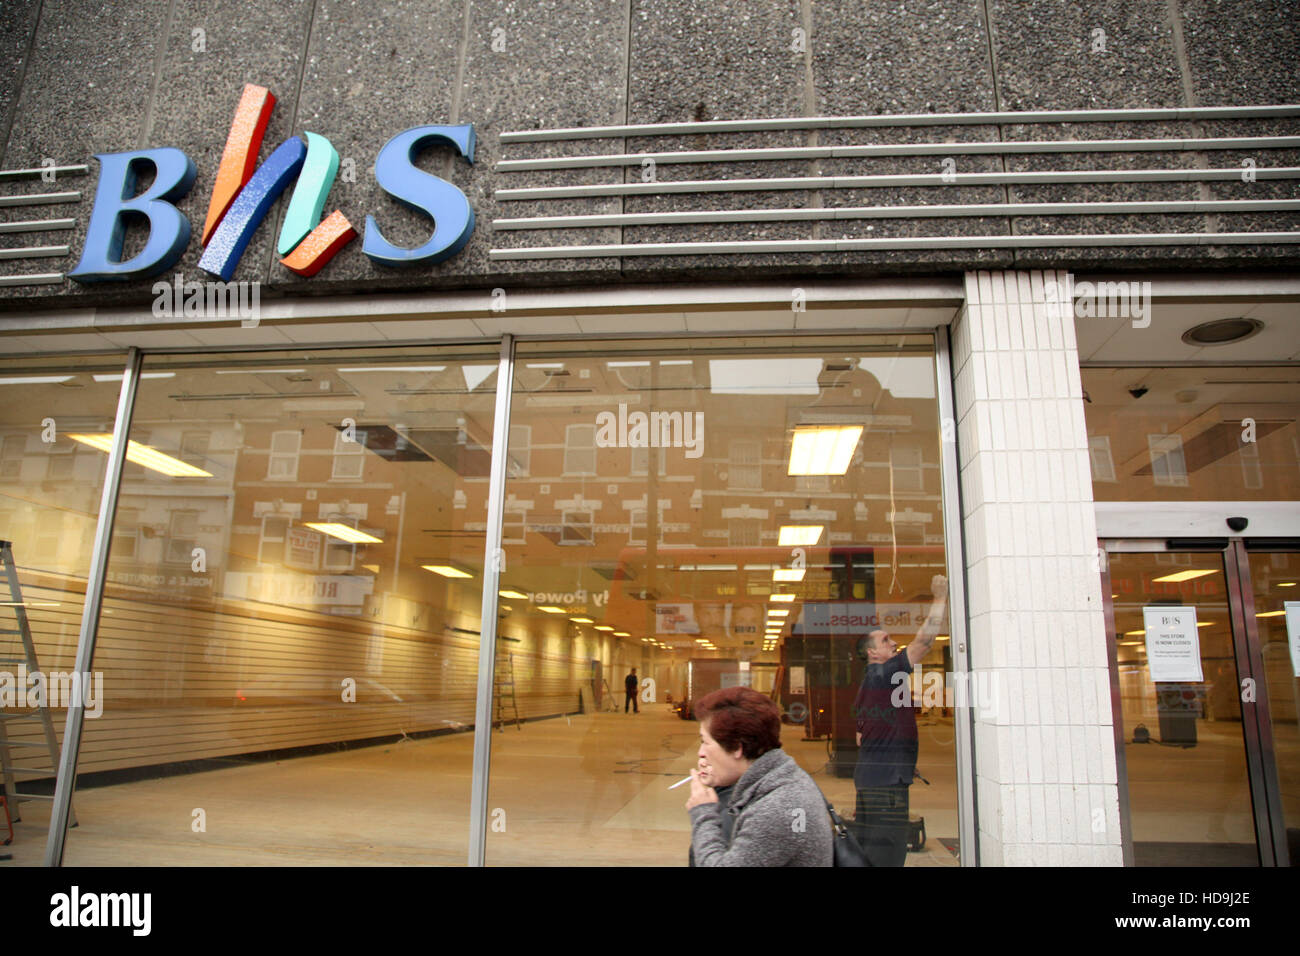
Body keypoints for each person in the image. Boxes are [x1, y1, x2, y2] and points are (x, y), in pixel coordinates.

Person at [852, 574, 948, 866]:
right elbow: (925, 641)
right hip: (886, 789)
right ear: (872, 653)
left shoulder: (868, 685)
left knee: (870, 855)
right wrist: (940, 596)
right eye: (886, 640)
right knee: (887, 857)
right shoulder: (885, 674)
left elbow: (861, 737)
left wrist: (899, 755)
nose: (894, 643)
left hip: (871, 783)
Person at [685, 686, 832, 866]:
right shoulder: (784, 779)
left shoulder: (777, 809)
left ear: (737, 747)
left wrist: (703, 813)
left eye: (705, 742)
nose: (700, 753)